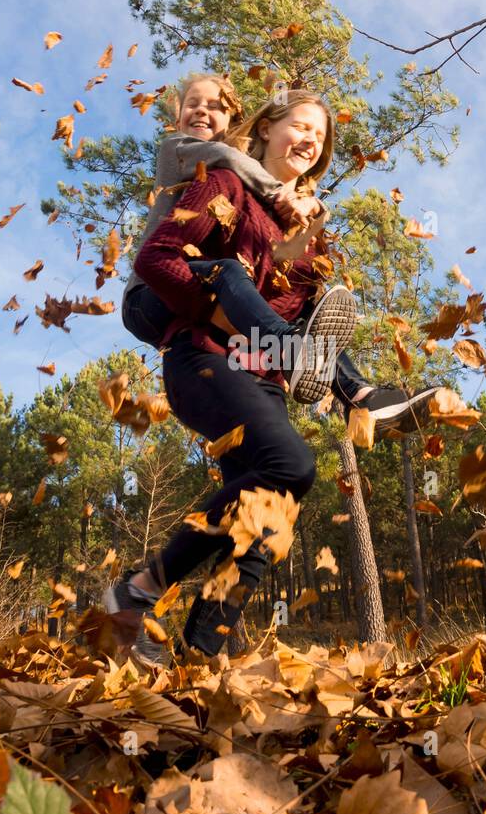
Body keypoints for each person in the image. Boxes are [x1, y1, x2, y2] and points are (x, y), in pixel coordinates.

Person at [105, 90, 341, 667]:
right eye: (300, 125)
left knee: (268, 513)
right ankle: (137, 590)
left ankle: (200, 657)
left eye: (321, 136)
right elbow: (155, 260)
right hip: (203, 357)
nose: (311, 140)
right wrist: (213, 312)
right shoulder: (225, 184)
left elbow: (308, 321)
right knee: (293, 465)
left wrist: (334, 375)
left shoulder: (312, 241)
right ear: (263, 131)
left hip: (266, 380)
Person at [121, 73, 444, 431]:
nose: (201, 112)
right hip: (150, 295)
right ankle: (291, 349)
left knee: (301, 309)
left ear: (230, 121)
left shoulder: (235, 176)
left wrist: (303, 233)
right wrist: (280, 192)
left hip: (199, 295)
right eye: (192, 104)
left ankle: (360, 396)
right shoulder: (181, 148)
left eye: (215, 106)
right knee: (229, 273)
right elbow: (227, 154)